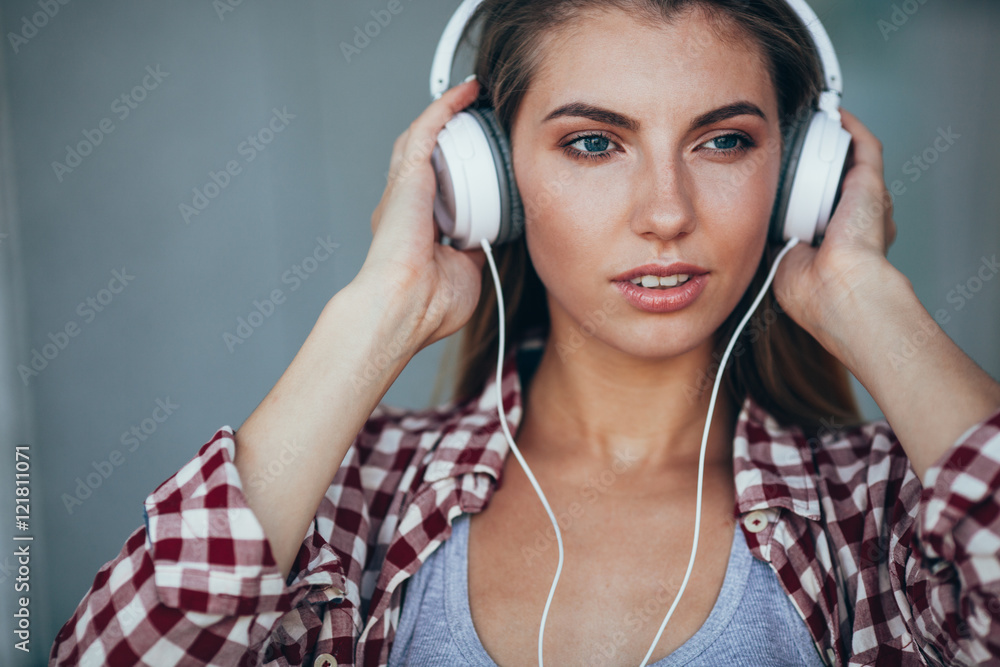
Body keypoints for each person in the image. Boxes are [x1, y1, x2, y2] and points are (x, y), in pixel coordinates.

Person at [50, 1, 1000, 666]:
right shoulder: (352, 500)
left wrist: (866, 300)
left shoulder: (881, 511)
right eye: (594, 142)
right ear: (487, 181)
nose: (665, 213)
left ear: (802, 180)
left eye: (724, 141)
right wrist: (380, 312)